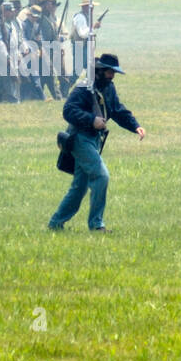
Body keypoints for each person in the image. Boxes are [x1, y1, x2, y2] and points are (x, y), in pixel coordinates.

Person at [48, 53, 145, 233]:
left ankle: (55, 223)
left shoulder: (108, 87)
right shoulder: (84, 87)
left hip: (94, 140)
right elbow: (68, 110)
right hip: (80, 138)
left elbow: (117, 110)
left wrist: (135, 126)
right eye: (109, 72)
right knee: (102, 176)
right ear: (100, 71)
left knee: (80, 187)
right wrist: (91, 119)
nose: (112, 76)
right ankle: (96, 224)